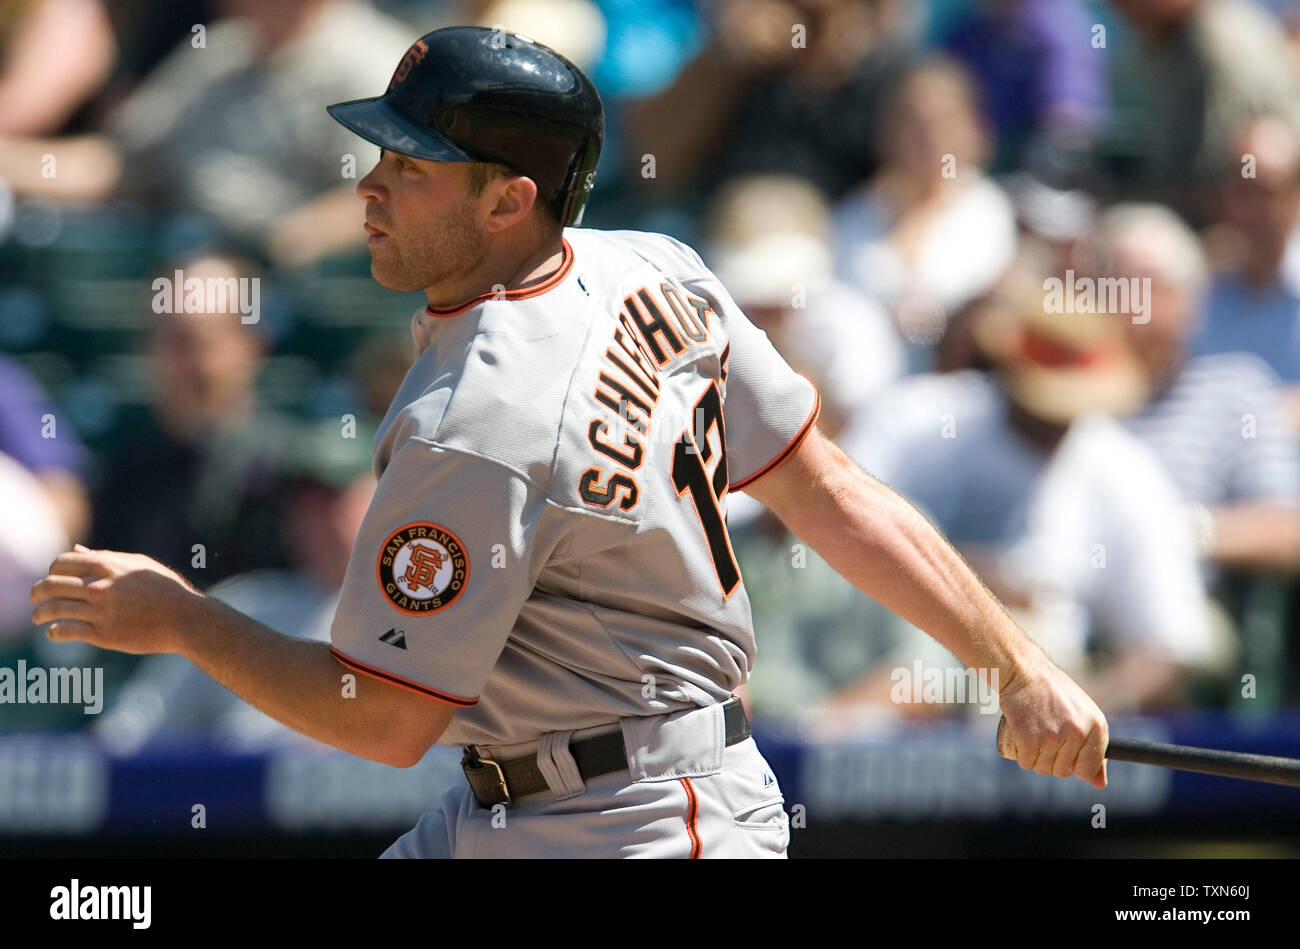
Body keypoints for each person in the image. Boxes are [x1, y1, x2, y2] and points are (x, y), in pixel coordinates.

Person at [30, 27, 1111, 860]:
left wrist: (183, 619)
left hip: (628, 827)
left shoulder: (477, 419)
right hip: (550, 798)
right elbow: (826, 491)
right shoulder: (658, 267)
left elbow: (385, 716)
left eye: (411, 166)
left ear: (508, 199)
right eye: (379, 154)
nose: (368, 185)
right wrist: (1016, 669)